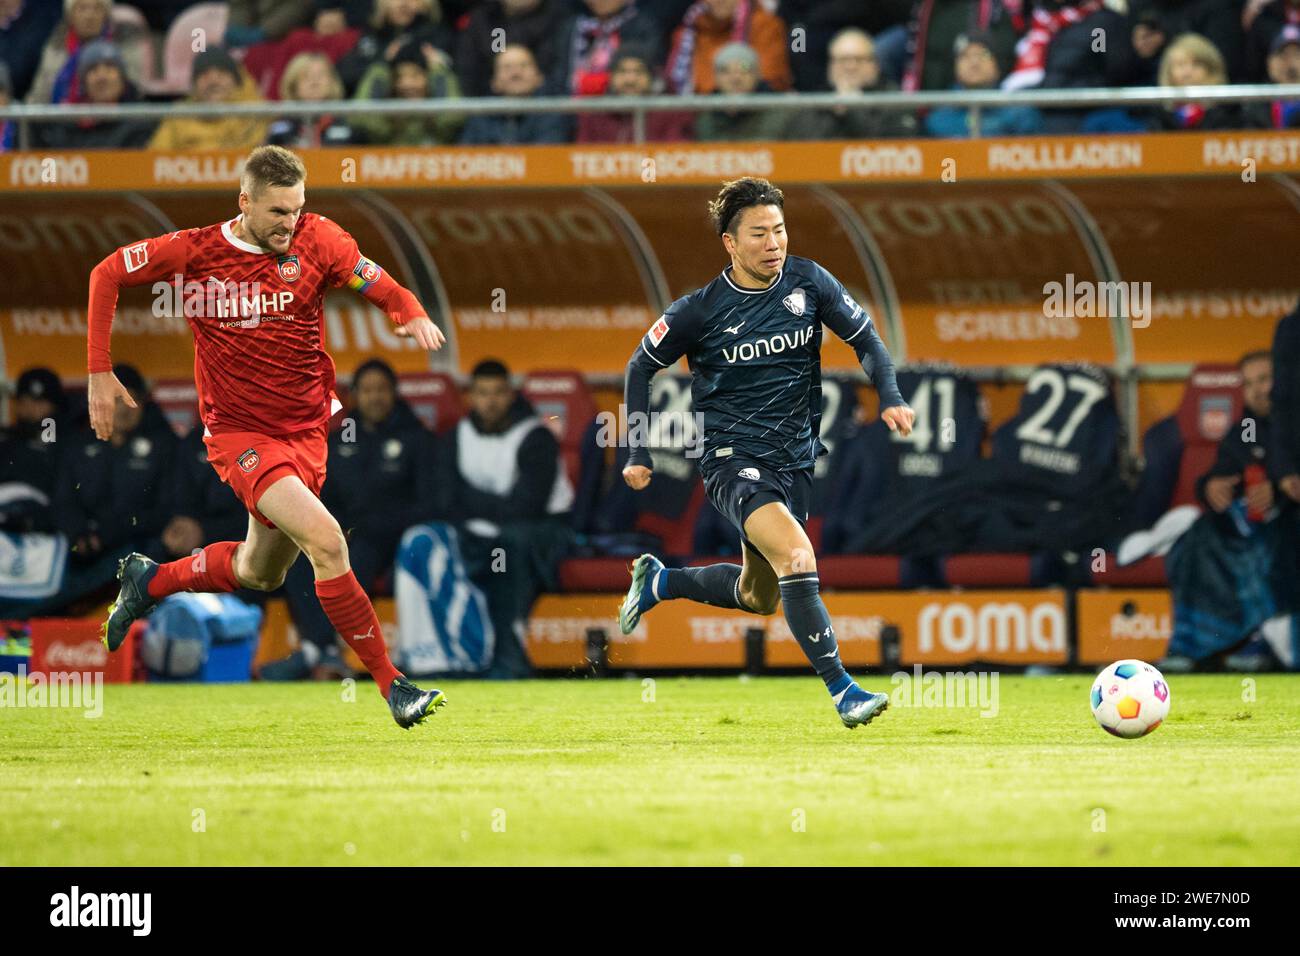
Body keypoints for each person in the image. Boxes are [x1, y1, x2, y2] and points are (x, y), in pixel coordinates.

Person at [84, 145, 448, 729]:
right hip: (240, 436)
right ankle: (393, 685)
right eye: (278, 211)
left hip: (306, 432)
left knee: (260, 572)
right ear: (245, 202)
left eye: (297, 209)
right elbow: (107, 273)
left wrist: (409, 310)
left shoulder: (319, 239)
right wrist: (100, 373)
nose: (289, 223)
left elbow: (379, 283)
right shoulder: (195, 251)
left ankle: (151, 579)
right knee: (327, 543)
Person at [618, 177, 915, 729]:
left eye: (779, 229)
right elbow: (641, 366)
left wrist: (891, 397)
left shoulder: (808, 281)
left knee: (759, 596)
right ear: (730, 243)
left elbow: (867, 341)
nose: (773, 242)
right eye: (759, 233)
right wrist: (638, 448)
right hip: (732, 460)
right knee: (799, 558)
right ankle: (844, 691)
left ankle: (663, 581)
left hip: (797, 460)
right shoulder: (700, 311)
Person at [269, 358, 437, 681]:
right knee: (298, 560)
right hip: (343, 532)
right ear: (355, 394)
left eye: (382, 390)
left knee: (355, 556)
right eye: (367, 390)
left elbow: (430, 505)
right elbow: (320, 496)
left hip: (394, 539)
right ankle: (321, 649)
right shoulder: (338, 439)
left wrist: (367, 527)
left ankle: (322, 652)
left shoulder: (417, 438)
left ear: (394, 393)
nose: (375, 397)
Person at [437, 359, 574, 679]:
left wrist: (468, 500)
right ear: (470, 396)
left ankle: (509, 659)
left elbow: (527, 506)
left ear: (511, 395)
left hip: (545, 529)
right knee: (432, 539)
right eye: (482, 393)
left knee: (510, 544)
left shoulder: (536, 435)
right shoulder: (456, 436)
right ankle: (444, 658)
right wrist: (479, 507)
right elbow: (443, 498)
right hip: (480, 528)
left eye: (498, 392)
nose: (490, 401)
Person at [786, 27, 918, 141]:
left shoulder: (894, 99)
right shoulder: (817, 102)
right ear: (830, 66)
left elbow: (895, 146)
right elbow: (804, 146)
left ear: (875, 65)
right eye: (842, 60)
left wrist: (852, 110)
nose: (850, 66)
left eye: (859, 59)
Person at [35, 39, 157, 149]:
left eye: (109, 68)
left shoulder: (141, 120)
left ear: (122, 78)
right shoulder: (68, 125)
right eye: (93, 70)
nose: (101, 77)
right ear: (83, 83)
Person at [148, 48, 270, 151]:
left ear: (236, 81)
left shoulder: (256, 114)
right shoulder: (179, 117)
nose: (213, 81)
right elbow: (155, 161)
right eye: (204, 75)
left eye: (221, 74)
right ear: (194, 85)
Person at [925, 30, 1042, 137]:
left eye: (983, 54)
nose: (974, 63)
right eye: (965, 55)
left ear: (997, 64)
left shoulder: (1019, 113)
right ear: (955, 66)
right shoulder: (939, 117)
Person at [351, 38, 464, 145]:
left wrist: (439, 71)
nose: (407, 84)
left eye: (415, 76)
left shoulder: (440, 125)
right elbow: (361, 116)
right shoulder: (384, 126)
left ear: (429, 79)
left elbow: (452, 117)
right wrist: (382, 65)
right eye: (399, 77)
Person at [575, 45, 692, 143]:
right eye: (622, 71)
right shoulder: (595, 117)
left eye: (639, 72)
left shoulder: (671, 114)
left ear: (651, 78)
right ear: (611, 78)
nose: (630, 80)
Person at [459, 45, 572, 145]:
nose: (516, 73)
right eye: (507, 67)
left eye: (523, 66)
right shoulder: (480, 117)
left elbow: (549, 158)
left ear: (539, 78)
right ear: (494, 82)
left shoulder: (553, 113)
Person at [694, 43, 788, 142]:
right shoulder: (706, 120)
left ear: (757, 75)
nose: (736, 78)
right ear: (716, 78)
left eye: (745, 69)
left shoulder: (781, 115)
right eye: (725, 71)